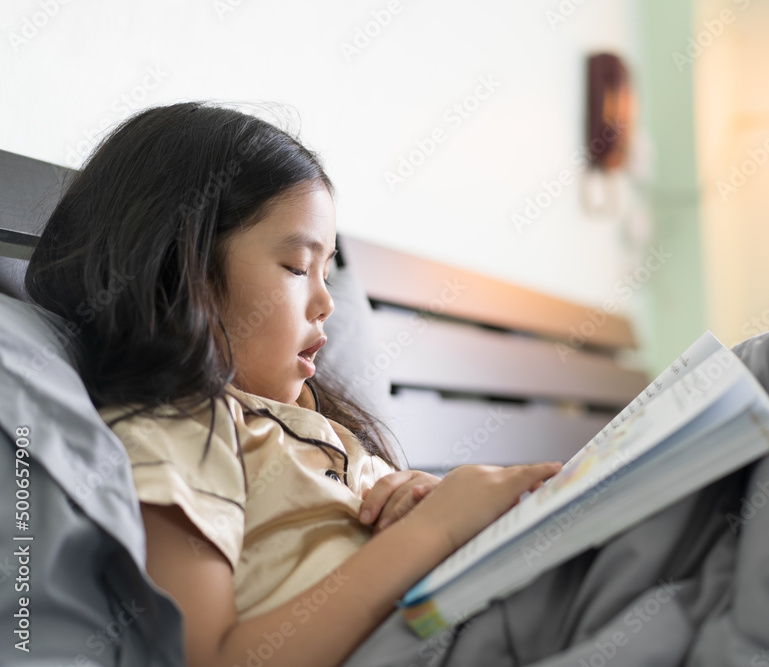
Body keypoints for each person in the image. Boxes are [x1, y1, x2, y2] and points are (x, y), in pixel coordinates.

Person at [24, 101, 563, 666]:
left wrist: (415, 501)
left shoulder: (312, 425)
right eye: (297, 267)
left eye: (327, 272)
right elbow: (214, 658)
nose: (326, 302)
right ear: (177, 265)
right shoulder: (183, 426)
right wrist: (436, 531)